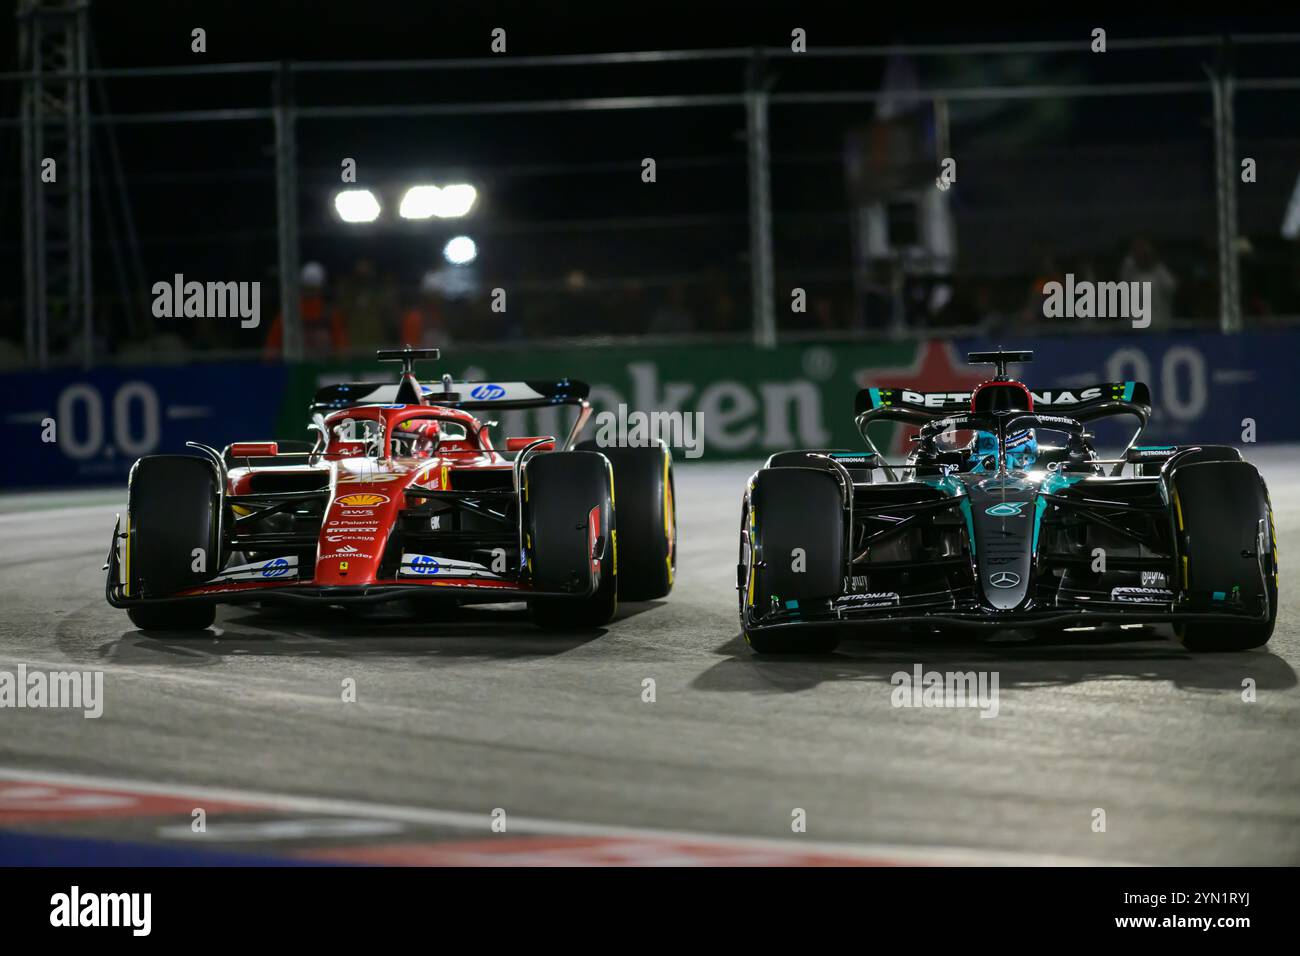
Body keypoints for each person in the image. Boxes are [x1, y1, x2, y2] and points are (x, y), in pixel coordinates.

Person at [262, 262, 348, 359]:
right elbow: (342, 350)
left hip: (296, 369)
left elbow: (271, 352)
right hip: (322, 369)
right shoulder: (331, 314)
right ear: (322, 287)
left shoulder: (288, 314)